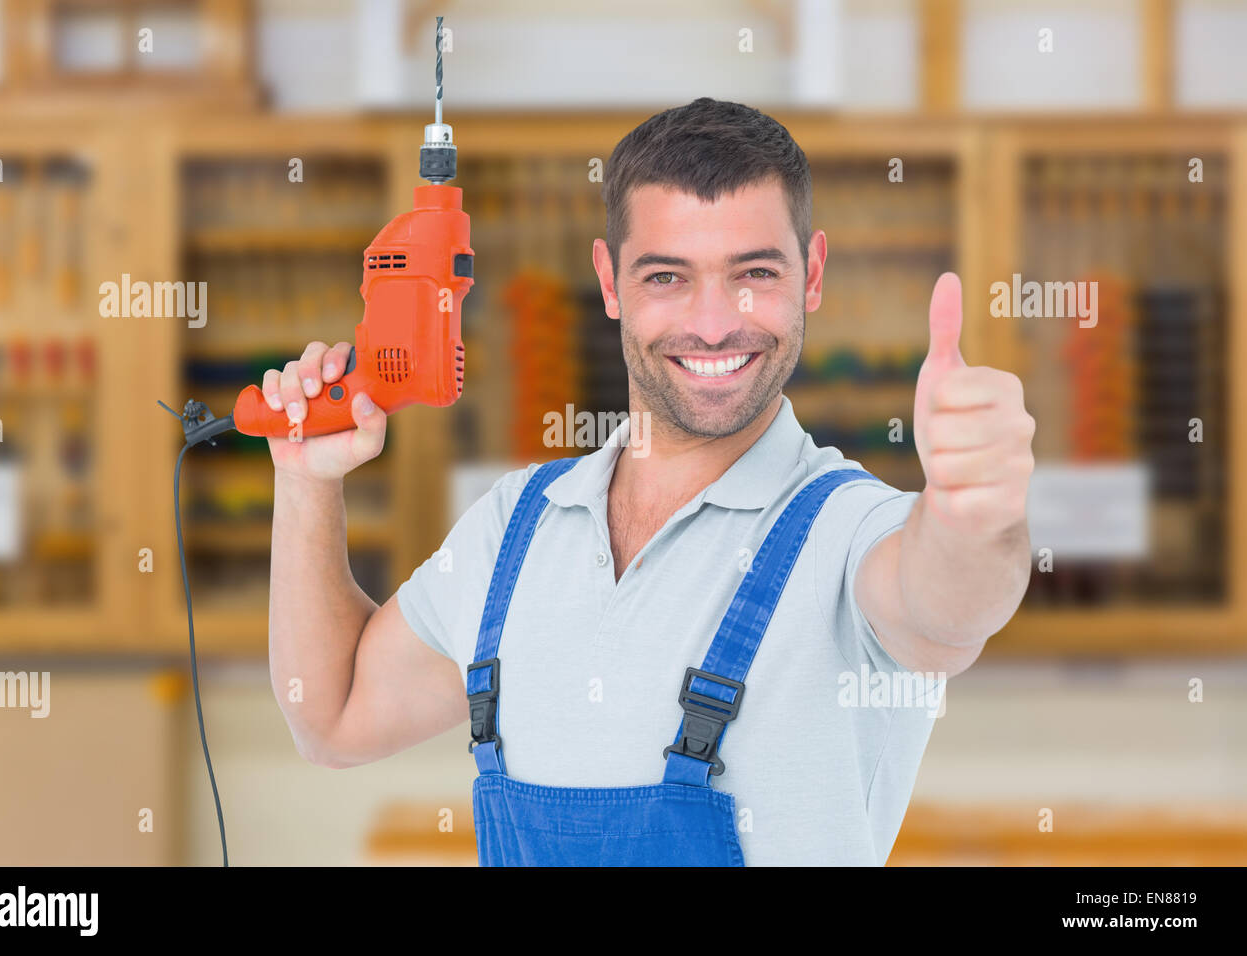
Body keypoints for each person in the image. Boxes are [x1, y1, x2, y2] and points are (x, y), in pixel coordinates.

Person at [257, 97, 1035, 866]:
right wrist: (305, 481)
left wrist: (976, 513)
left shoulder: (847, 533)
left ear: (812, 273)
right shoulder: (515, 528)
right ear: (610, 281)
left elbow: (948, 611)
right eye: (667, 277)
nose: (712, 323)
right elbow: (329, 717)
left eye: (754, 272)